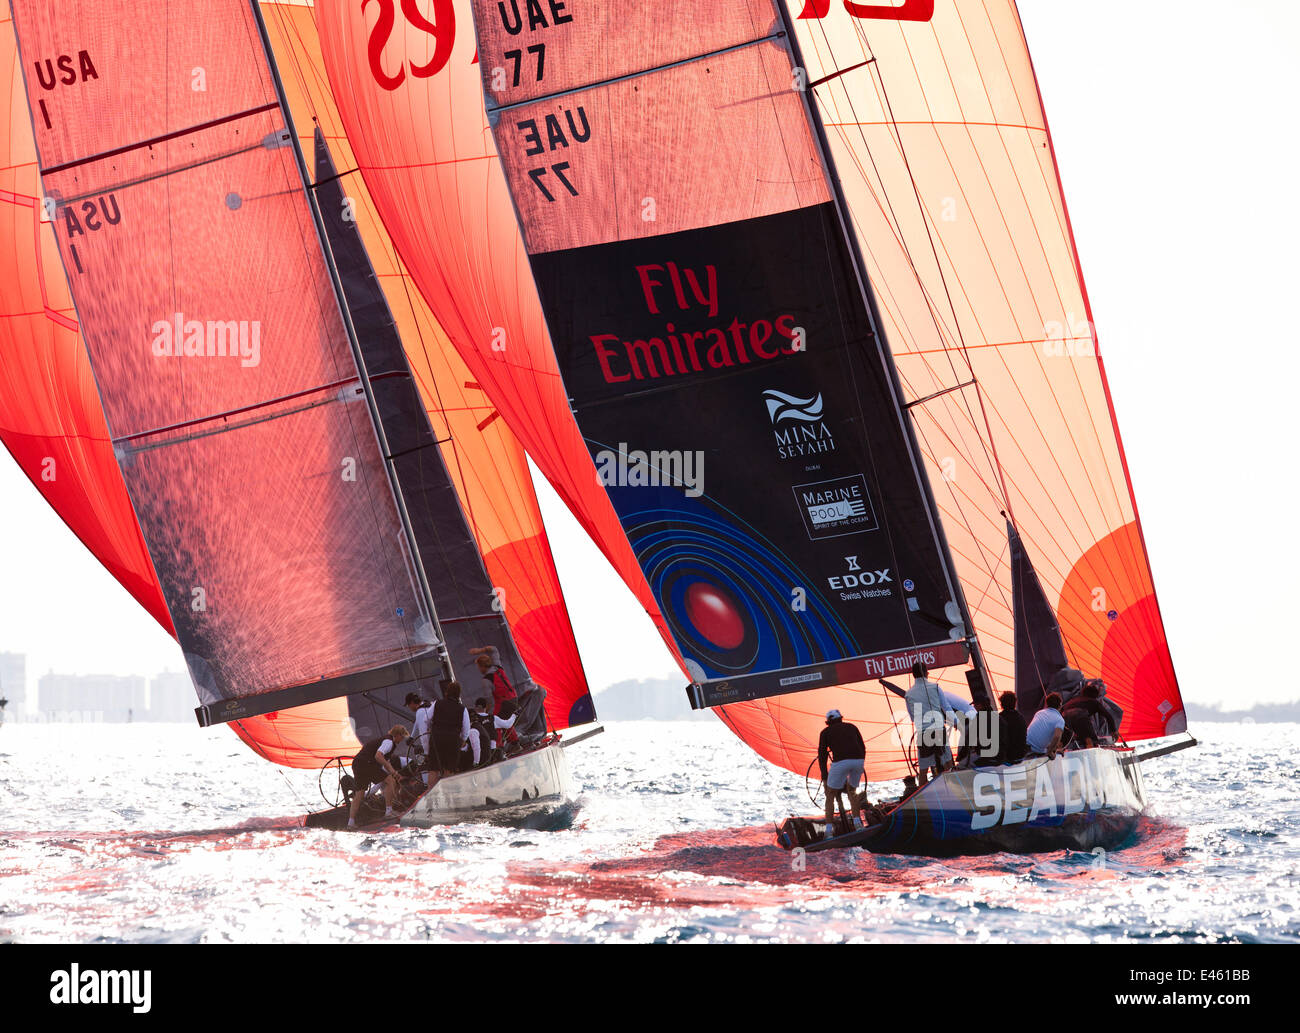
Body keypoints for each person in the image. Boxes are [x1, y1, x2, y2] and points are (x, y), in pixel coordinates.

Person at [347, 725, 408, 828]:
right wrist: (393, 772)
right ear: (397, 735)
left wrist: (394, 773)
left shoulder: (384, 740)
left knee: (359, 794)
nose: (402, 740)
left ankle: (350, 823)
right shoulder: (389, 742)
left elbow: (384, 762)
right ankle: (389, 812)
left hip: (357, 764)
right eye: (402, 737)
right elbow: (378, 756)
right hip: (367, 763)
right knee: (390, 781)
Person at [817, 709, 867, 835]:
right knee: (852, 791)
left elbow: (822, 756)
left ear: (828, 722)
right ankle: (857, 823)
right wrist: (860, 762)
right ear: (840, 718)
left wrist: (824, 776)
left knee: (830, 794)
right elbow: (862, 747)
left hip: (840, 763)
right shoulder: (852, 727)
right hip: (858, 761)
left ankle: (828, 831)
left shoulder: (825, 732)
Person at [904, 661, 954, 783]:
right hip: (938, 729)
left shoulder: (908, 694)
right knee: (948, 763)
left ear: (913, 675)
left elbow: (912, 717)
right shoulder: (935, 687)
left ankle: (924, 799)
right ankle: (955, 790)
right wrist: (956, 722)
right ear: (927, 673)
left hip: (923, 732)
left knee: (923, 769)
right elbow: (946, 707)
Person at [429, 681, 471, 776]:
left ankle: (431, 789)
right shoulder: (462, 709)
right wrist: (463, 740)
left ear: (446, 692)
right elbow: (466, 728)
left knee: (433, 769)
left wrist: (430, 730)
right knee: (449, 768)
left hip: (437, 738)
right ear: (459, 695)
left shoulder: (437, 704)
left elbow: (425, 719)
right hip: (453, 740)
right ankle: (448, 790)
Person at [1060, 683, 1118, 749]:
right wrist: (1114, 731)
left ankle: (1059, 748)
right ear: (1095, 695)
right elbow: (1108, 716)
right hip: (1079, 715)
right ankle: (1091, 751)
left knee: (1068, 738)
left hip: (1064, 717)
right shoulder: (1093, 701)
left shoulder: (1072, 701)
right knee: (1090, 740)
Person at [469, 645, 517, 715]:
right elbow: (494, 649)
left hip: (504, 704)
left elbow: (490, 702)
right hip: (514, 697)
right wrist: (479, 650)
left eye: (479, 667)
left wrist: (485, 714)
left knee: (496, 722)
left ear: (482, 667)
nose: (478, 669)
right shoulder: (498, 666)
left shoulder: (486, 681)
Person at [1025, 693, 1066, 759]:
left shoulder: (1039, 713)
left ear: (1046, 704)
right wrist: (1049, 752)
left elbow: (1040, 735)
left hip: (1024, 745)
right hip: (1035, 751)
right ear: (1060, 705)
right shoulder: (1059, 720)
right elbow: (1057, 736)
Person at [406, 692, 434, 781]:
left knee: (433, 770)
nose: (409, 708)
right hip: (441, 739)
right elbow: (417, 722)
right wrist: (412, 736)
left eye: (408, 706)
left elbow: (424, 735)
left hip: (433, 746)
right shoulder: (427, 706)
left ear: (412, 703)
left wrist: (426, 753)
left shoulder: (420, 712)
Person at [996, 691, 1027, 764]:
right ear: (1014, 703)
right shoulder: (1021, 717)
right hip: (1020, 757)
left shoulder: (999, 718)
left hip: (1006, 758)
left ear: (1002, 704)